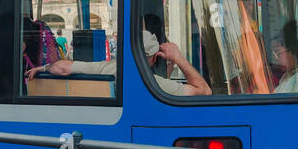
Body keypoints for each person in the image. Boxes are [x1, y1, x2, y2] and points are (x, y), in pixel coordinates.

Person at [26, 29, 212, 96]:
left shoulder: (108, 68)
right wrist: (178, 59)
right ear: (155, 58)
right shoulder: (155, 84)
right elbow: (204, 91)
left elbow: (63, 67)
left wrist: (42, 67)